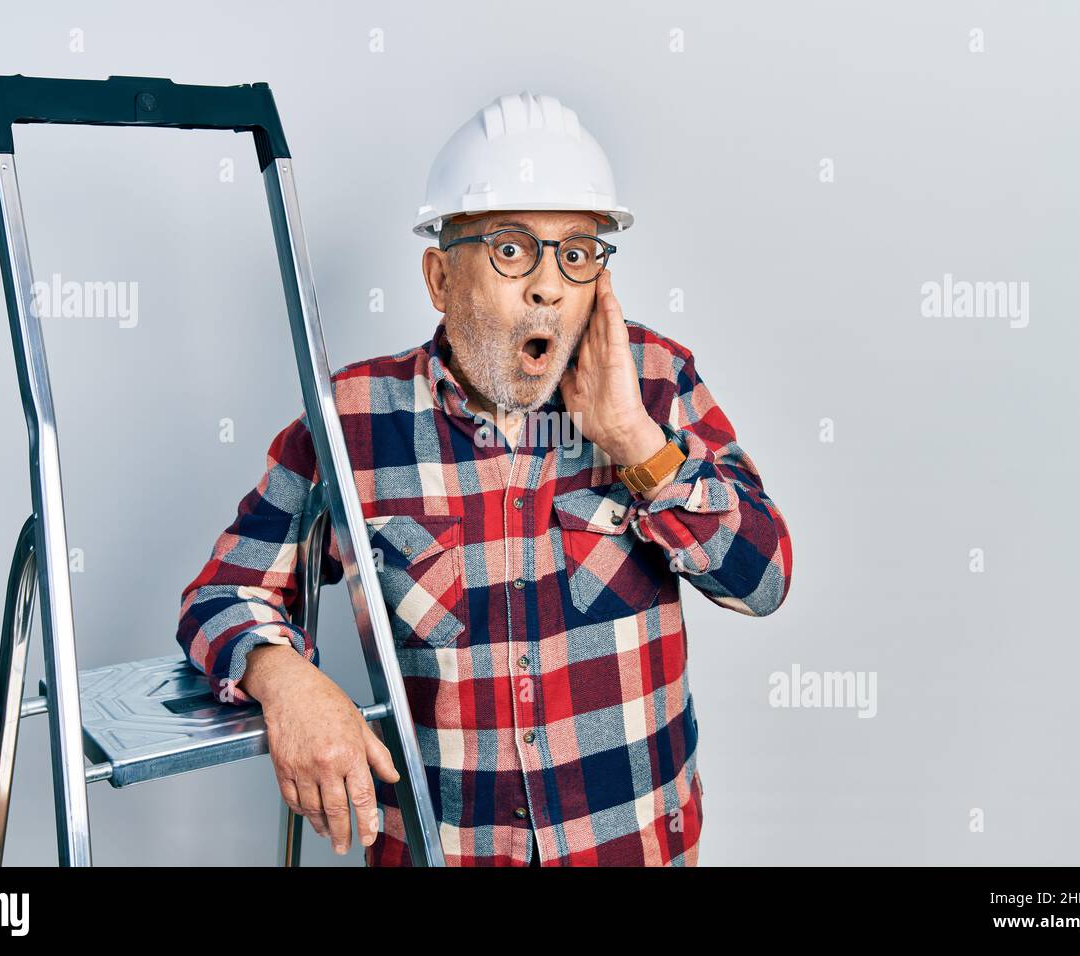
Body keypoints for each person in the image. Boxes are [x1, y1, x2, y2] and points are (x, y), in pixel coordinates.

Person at [176, 91, 793, 866]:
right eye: (511, 249)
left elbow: (764, 579)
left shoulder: (657, 383)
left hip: (634, 848)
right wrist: (284, 679)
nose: (547, 286)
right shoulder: (356, 420)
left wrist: (636, 442)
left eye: (576, 252)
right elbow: (221, 596)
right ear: (440, 278)